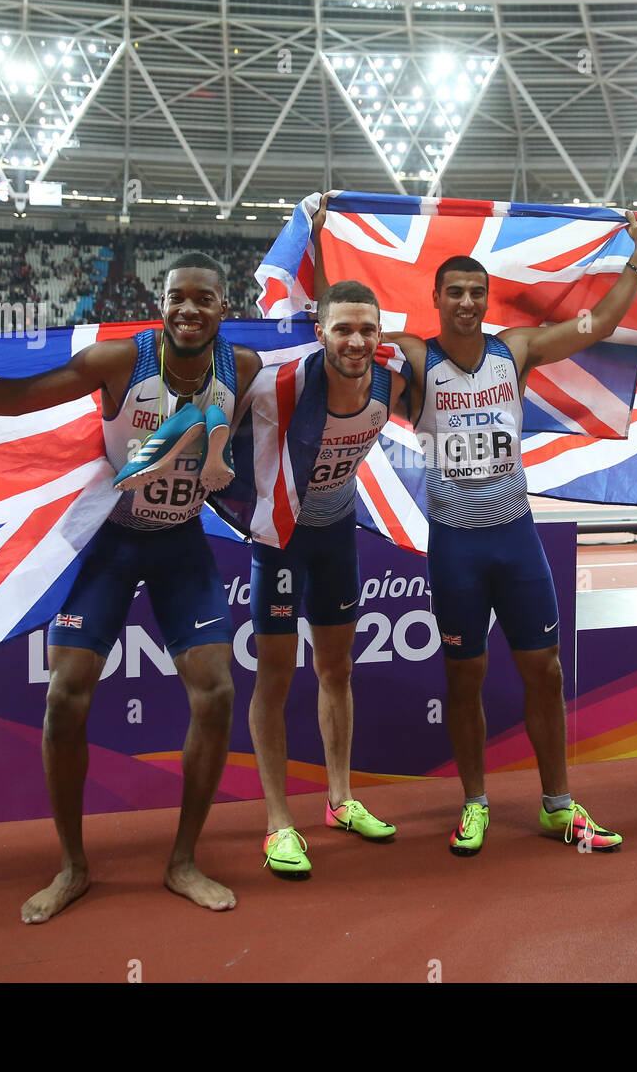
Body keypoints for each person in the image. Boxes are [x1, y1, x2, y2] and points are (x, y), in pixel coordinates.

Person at [0, 253, 262, 919]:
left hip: (182, 542)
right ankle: (73, 866)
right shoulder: (120, 362)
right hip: (113, 538)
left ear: (223, 305)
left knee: (216, 693)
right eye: (176, 297)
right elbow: (17, 399)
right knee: (66, 697)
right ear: (161, 302)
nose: (189, 309)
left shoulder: (242, 369)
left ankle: (183, 859)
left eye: (203, 298)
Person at [381, 212, 637, 856]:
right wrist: (318, 240)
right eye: (455, 292)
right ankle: (475, 802)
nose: (468, 302)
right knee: (464, 678)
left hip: (516, 538)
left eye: (477, 292)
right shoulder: (418, 357)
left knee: (546, 672)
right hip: (455, 546)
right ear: (438, 299)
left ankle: (557, 804)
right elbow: (347, 334)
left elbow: (599, 325)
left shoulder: (518, 349)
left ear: (486, 297)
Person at [243, 279, 410, 878]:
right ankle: (279, 823)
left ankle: (340, 800)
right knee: (276, 679)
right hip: (282, 542)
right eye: (343, 328)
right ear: (320, 333)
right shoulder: (280, 382)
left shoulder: (392, 380)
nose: (356, 340)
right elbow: (213, 405)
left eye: (367, 328)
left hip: (338, 534)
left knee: (336, 669)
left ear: (380, 331)